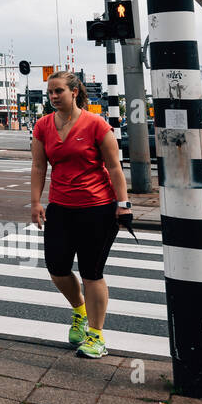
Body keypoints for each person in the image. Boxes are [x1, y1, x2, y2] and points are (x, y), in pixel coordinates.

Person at [30, 70, 129, 359]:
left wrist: (124, 205)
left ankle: (96, 336)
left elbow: (114, 168)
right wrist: (35, 203)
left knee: (91, 272)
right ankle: (80, 311)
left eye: (58, 91)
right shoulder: (43, 126)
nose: (53, 96)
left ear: (75, 92)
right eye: (50, 92)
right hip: (60, 208)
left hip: (97, 208)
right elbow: (39, 167)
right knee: (57, 268)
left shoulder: (96, 125)